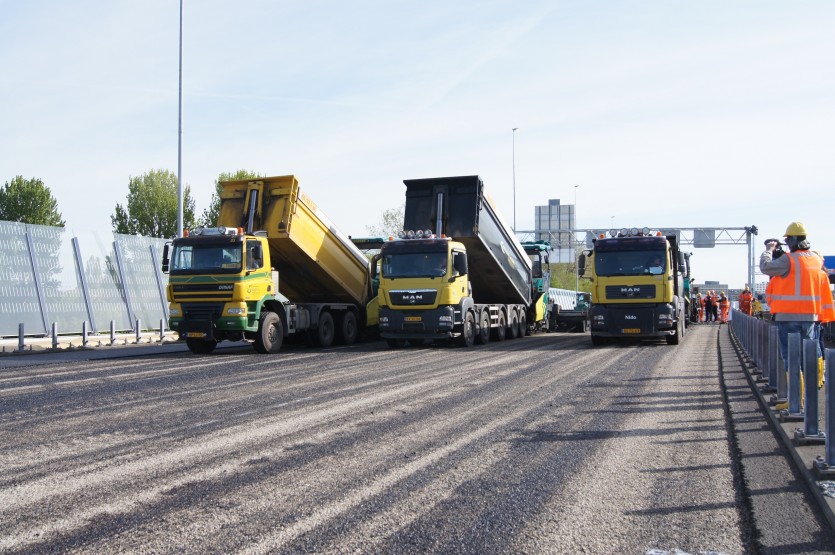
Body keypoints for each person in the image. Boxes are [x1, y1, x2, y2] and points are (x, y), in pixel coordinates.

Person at [760, 221, 834, 367]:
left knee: (791, 358)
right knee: (810, 356)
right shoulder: (816, 259)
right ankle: (815, 379)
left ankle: (795, 382)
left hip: (787, 316)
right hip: (810, 316)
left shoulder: (788, 259)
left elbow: (765, 266)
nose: (787, 243)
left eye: (788, 240)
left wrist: (769, 250)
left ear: (793, 239)